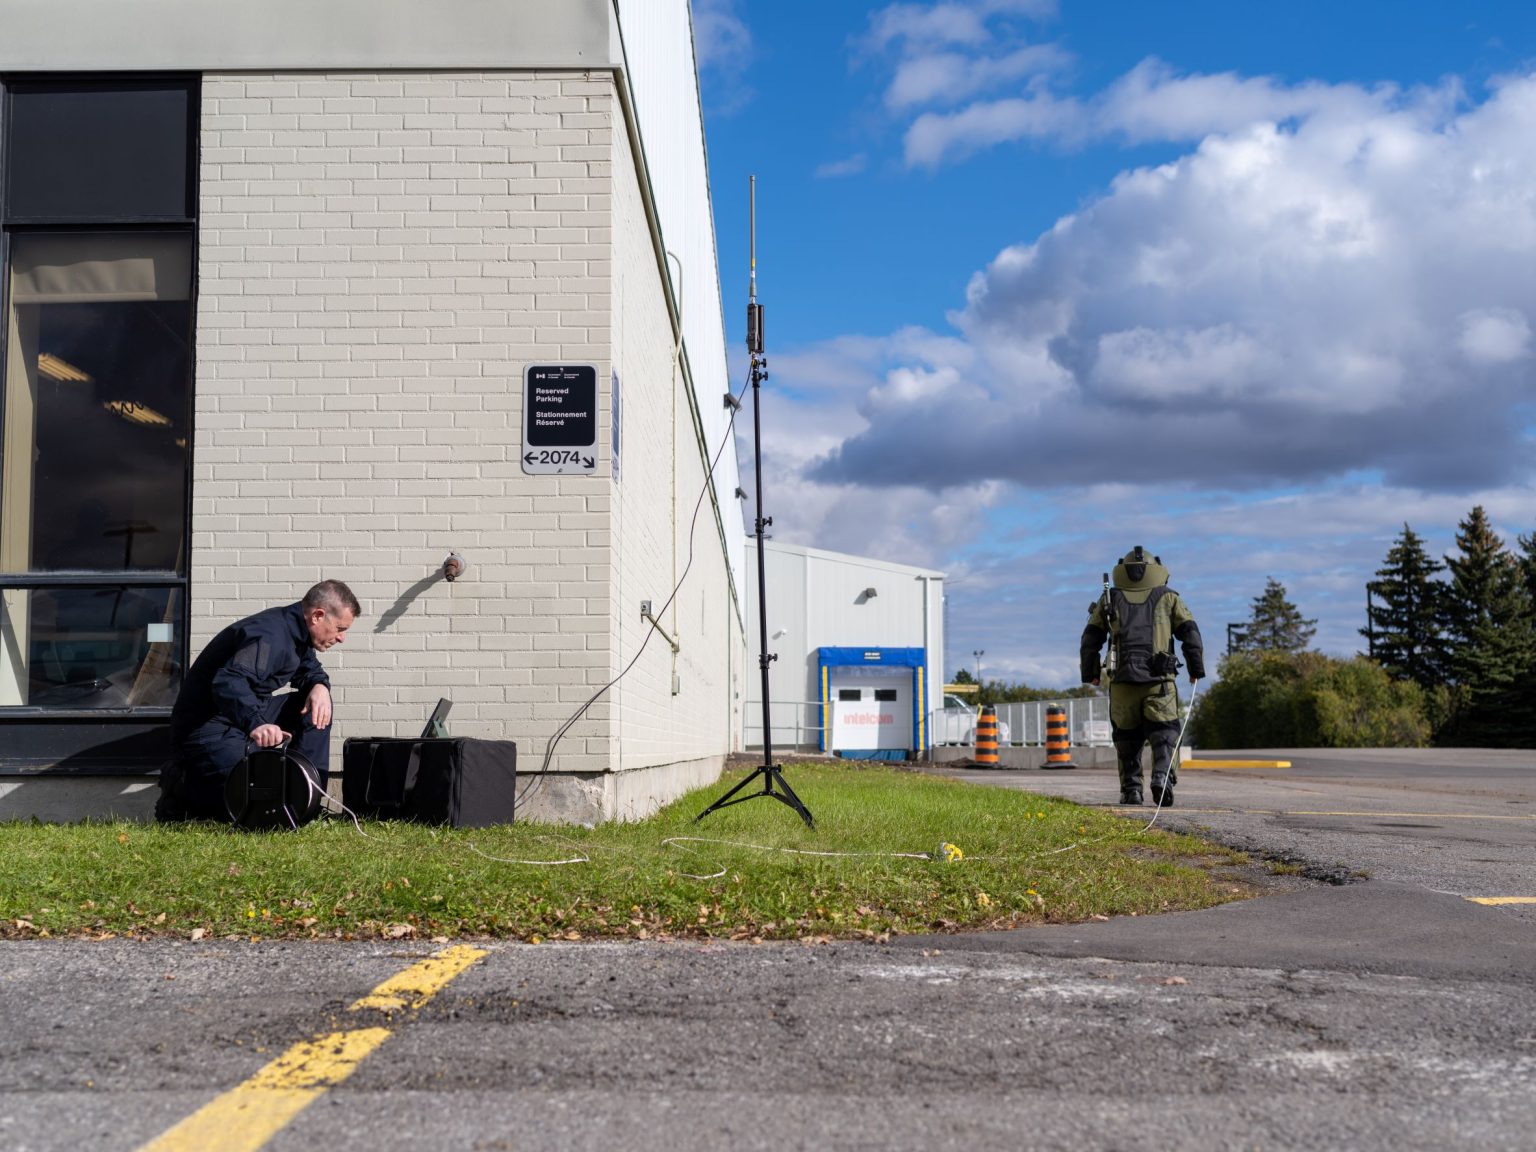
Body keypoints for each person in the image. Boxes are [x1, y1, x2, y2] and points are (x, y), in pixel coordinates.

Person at [156, 580, 361, 821]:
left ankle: (308, 801)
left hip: (241, 717)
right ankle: (181, 789)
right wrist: (256, 723)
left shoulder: (297, 633)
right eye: (340, 628)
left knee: (316, 707)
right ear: (318, 616)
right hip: (208, 728)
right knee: (252, 804)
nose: (341, 638)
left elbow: (308, 669)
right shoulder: (270, 636)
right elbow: (228, 682)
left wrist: (319, 686)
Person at [1080, 547, 1204, 807]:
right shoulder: (1169, 597)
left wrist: (1091, 674)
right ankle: (1162, 777)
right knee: (1165, 734)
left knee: (1126, 740)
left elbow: (1090, 637)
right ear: (1156, 569)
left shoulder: (1110, 598)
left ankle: (1132, 791)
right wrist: (1195, 669)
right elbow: (1190, 632)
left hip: (1122, 683)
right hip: (1160, 682)